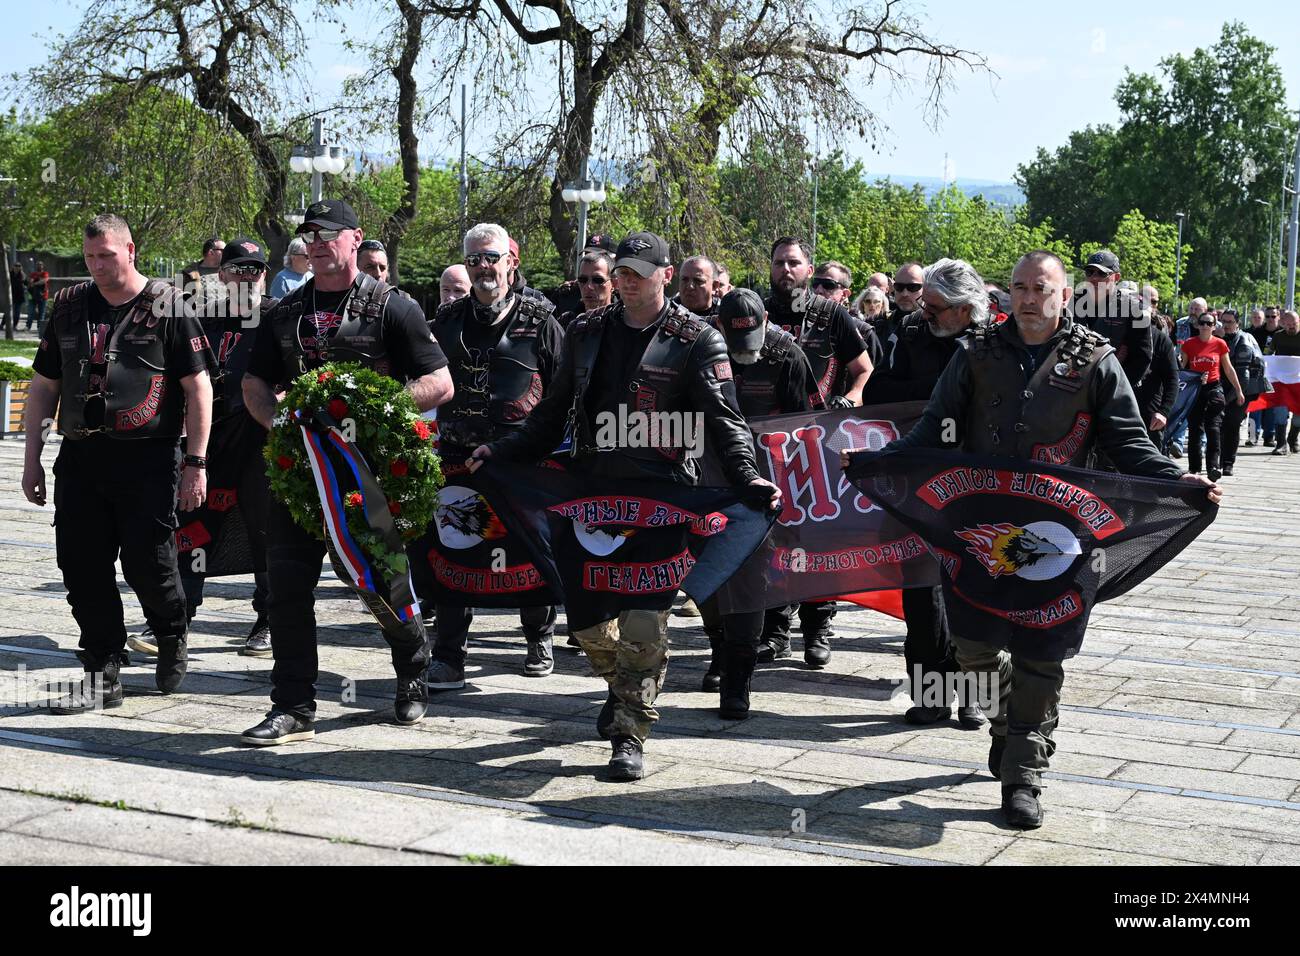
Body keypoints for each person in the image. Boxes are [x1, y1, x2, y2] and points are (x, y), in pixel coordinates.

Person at [856, 249, 1220, 828]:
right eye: (1020, 286)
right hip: (978, 530)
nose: (1029, 297)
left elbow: (1129, 442)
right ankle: (1008, 721)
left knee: (1041, 653)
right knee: (972, 649)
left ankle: (1023, 772)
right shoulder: (975, 356)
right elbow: (934, 431)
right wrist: (878, 461)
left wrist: (1179, 479)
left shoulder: (1096, 361)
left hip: (1060, 534)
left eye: (1041, 288)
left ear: (1065, 296)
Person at [469, 231, 780, 781]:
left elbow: (725, 422)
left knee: (643, 622)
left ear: (665, 275)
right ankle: (625, 688)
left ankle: (631, 731)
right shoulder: (584, 332)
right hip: (590, 496)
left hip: (661, 498)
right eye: (621, 270)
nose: (627, 279)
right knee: (589, 627)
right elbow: (550, 415)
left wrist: (750, 477)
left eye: (639, 270)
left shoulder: (697, 340)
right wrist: (504, 453)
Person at [237, 199, 455, 745]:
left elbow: (440, 383)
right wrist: (280, 421)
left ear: (355, 239)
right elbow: (253, 384)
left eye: (326, 235)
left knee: (381, 584)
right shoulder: (283, 314)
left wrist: (378, 413)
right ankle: (292, 704)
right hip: (299, 474)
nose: (315, 244)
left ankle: (411, 666)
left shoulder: (392, 307)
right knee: (286, 589)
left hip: (370, 480)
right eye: (308, 235)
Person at [22, 213, 214, 711]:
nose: (98, 266)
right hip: (83, 456)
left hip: (149, 457)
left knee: (148, 562)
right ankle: (102, 663)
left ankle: (171, 634)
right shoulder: (67, 307)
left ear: (131, 250)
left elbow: (198, 388)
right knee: (81, 564)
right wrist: (32, 459)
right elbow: (44, 387)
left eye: (106, 255)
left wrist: (196, 462)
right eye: (90, 257)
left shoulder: (170, 305)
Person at [424, 224, 565, 687]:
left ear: (512, 260)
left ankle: (537, 637)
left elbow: (564, 395)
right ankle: (448, 654)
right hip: (457, 458)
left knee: (530, 550)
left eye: (491, 257)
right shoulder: (446, 320)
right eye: (474, 260)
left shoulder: (543, 319)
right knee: (454, 550)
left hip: (521, 459)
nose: (483, 267)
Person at [131, 237, 280, 658]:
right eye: (238, 268)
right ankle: (177, 617)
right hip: (209, 439)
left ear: (264, 274)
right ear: (222, 272)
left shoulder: (277, 316)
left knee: (264, 529)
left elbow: (300, 371)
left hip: (260, 441)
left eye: (255, 269)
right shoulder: (201, 316)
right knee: (192, 527)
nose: (246, 276)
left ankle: (268, 620)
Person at [861, 258, 987, 730]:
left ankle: (974, 693)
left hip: (975, 484)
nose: (924, 313)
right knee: (921, 594)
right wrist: (939, 393)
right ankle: (930, 694)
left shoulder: (991, 345)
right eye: (924, 304)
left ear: (964, 308)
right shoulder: (910, 335)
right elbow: (877, 390)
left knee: (975, 592)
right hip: (917, 480)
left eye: (935, 307)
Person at [699, 287, 821, 716]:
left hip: (764, 482)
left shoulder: (789, 356)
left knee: (749, 580)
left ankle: (738, 681)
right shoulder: (699, 348)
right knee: (707, 577)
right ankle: (718, 649)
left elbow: (805, 426)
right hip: (708, 478)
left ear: (766, 321)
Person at [762, 236, 875, 668]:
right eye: (779, 263)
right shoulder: (759, 313)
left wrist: (853, 398)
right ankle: (775, 633)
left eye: (793, 263)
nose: (785, 270)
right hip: (769, 444)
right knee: (772, 539)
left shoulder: (833, 316)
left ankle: (818, 629)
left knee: (819, 537)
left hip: (821, 441)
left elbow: (862, 369)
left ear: (809, 269)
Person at [1072, 250, 1152, 390]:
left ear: (1116, 277)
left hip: (1113, 385)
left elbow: (1142, 358)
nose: (1094, 278)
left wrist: (1118, 389)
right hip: (1073, 382)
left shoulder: (1133, 308)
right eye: (1090, 272)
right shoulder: (1074, 301)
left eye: (1102, 274)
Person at [1180, 307, 1244, 480]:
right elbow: (1182, 369)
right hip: (1195, 389)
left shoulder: (1220, 344)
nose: (1205, 326)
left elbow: (1228, 369)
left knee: (1213, 428)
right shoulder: (1189, 344)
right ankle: (1194, 467)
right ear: (1197, 325)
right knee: (1195, 429)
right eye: (1202, 323)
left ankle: (1213, 467)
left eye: (1209, 323)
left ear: (1215, 326)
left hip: (1214, 388)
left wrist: (1238, 390)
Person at [1219, 310, 1264, 476]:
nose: (1226, 325)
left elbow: (1243, 378)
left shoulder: (1243, 341)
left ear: (1237, 323)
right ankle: (1219, 460)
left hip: (1241, 391)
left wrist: (1229, 398)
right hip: (1223, 387)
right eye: (1224, 321)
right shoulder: (1221, 338)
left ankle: (1228, 463)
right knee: (1219, 425)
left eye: (1230, 322)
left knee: (1231, 424)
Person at [1135, 313, 1180, 454]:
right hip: (1117, 408)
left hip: (1150, 412)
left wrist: (1163, 412)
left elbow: (1172, 379)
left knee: (1150, 457)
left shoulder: (1161, 340)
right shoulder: (1115, 333)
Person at [875, 261, 925, 368]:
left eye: (913, 287)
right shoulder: (880, 324)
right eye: (899, 287)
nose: (905, 293)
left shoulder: (935, 326)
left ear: (926, 289)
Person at [1266, 310, 1300, 455]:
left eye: (1294, 324)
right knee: (1280, 411)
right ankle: (1281, 444)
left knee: (1298, 416)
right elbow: (1268, 352)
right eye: (1288, 324)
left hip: (1298, 380)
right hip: (1281, 380)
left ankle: (1292, 438)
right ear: (1282, 323)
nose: (1291, 326)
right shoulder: (1278, 336)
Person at [559, 250, 614, 327]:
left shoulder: (624, 323)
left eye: (597, 280)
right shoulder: (566, 323)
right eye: (583, 280)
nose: (589, 287)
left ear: (614, 283)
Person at [26, 261, 50, 330]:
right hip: (33, 296)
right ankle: (28, 326)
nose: (39, 266)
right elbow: (30, 282)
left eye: (41, 265)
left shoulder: (45, 273)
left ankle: (40, 328)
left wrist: (35, 283)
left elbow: (44, 280)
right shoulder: (33, 274)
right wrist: (35, 282)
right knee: (30, 312)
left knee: (41, 313)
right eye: (38, 265)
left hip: (43, 296)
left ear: (43, 266)